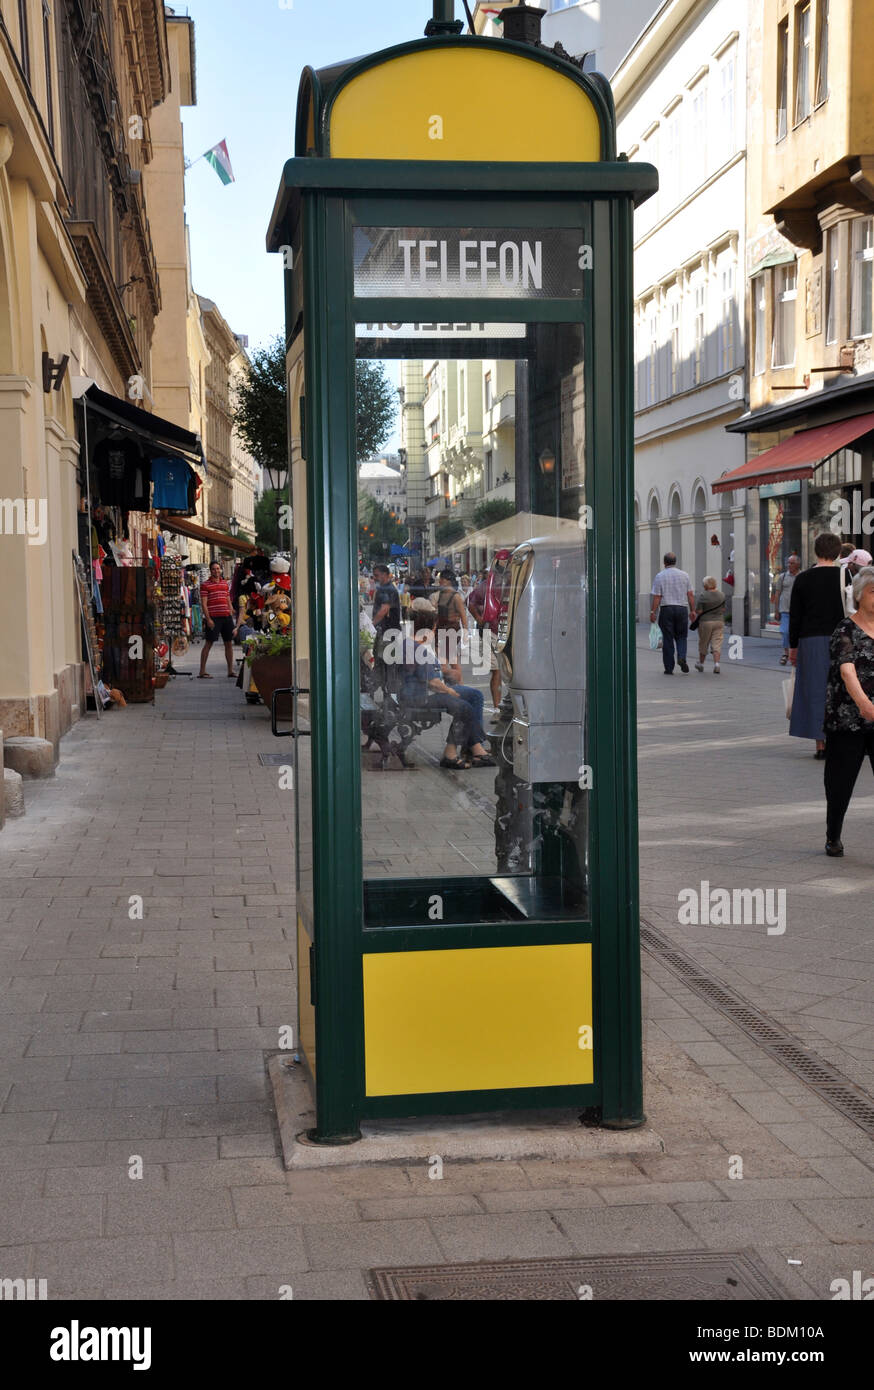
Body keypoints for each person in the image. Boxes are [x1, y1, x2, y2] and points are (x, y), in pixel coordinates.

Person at [401, 608, 495, 769]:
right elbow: (432, 682)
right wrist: (450, 691)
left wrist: (447, 676)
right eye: (434, 627)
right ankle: (450, 754)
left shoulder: (410, 643)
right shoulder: (418, 650)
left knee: (475, 695)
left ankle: (474, 748)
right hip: (421, 695)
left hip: (420, 691)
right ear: (429, 629)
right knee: (464, 708)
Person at [822, 567, 874, 856]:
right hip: (847, 719)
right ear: (859, 594)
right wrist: (865, 705)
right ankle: (833, 835)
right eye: (873, 591)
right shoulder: (845, 629)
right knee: (840, 783)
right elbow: (847, 671)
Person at [788, 532, 846, 757]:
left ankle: (819, 744)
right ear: (838, 553)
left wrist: (793, 647)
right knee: (839, 690)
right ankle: (836, 739)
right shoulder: (845, 576)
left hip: (810, 640)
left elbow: (796, 616)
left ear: (816, 551)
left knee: (814, 690)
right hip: (841, 641)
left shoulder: (803, 578)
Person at [468, 549, 511, 714]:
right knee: (497, 671)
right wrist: (480, 619)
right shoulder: (487, 586)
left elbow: (471, 603)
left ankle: (499, 706)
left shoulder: (492, 585)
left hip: (498, 631)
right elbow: (471, 603)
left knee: (499, 672)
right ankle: (497, 706)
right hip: (493, 632)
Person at [650, 553, 696, 674]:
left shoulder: (660, 576)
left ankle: (669, 668)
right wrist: (692, 611)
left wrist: (652, 611)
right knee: (681, 636)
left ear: (664, 562)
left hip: (667, 609)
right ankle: (681, 657)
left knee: (668, 638)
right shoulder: (685, 575)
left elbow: (657, 596)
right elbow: (690, 594)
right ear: (675, 562)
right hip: (682, 609)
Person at [199, 560, 236, 678]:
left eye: (218, 568)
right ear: (211, 571)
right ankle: (202, 671)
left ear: (220, 570)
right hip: (214, 618)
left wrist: (231, 609)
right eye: (214, 569)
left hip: (226, 617)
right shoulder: (205, 585)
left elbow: (227, 598)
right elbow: (204, 604)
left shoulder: (225, 584)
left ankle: (230, 671)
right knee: (208, 643)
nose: (216, 571)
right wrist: (208, 619)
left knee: (228, 643)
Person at [772, 554, 801, 665]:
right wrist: (776, 610)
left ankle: (796, 654)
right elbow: (778, 593)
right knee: (785, 632)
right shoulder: (783, 577)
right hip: (785, 610)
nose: (789, 565)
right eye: (788, 563)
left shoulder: (802, 576)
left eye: (792, 563)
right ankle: (785, 653)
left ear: (798, 564)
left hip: (799, 611)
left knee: (797, 633)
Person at [693, 577, 727, 673]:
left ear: (705, 585)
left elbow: (699, 611)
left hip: (706, 622)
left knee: (704, 642)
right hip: (719, 621)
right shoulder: (722, 595)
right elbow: (723, 609)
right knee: (717, 643)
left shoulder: (703, 595)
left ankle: (701, 663)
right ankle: (717, 664)